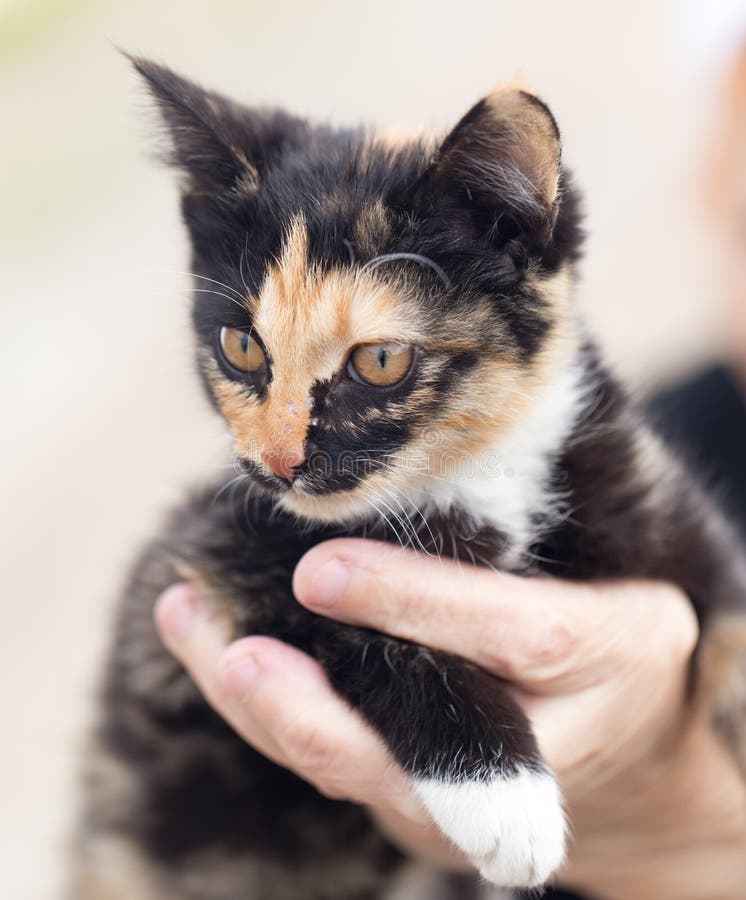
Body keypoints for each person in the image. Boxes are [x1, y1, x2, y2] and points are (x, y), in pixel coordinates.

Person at [153, 48, 746, 900]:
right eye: (247, 354)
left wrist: (698, 832)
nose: (277, 451)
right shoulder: (692, 416)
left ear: (518, 241)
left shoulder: (626, 469)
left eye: (379, 362)